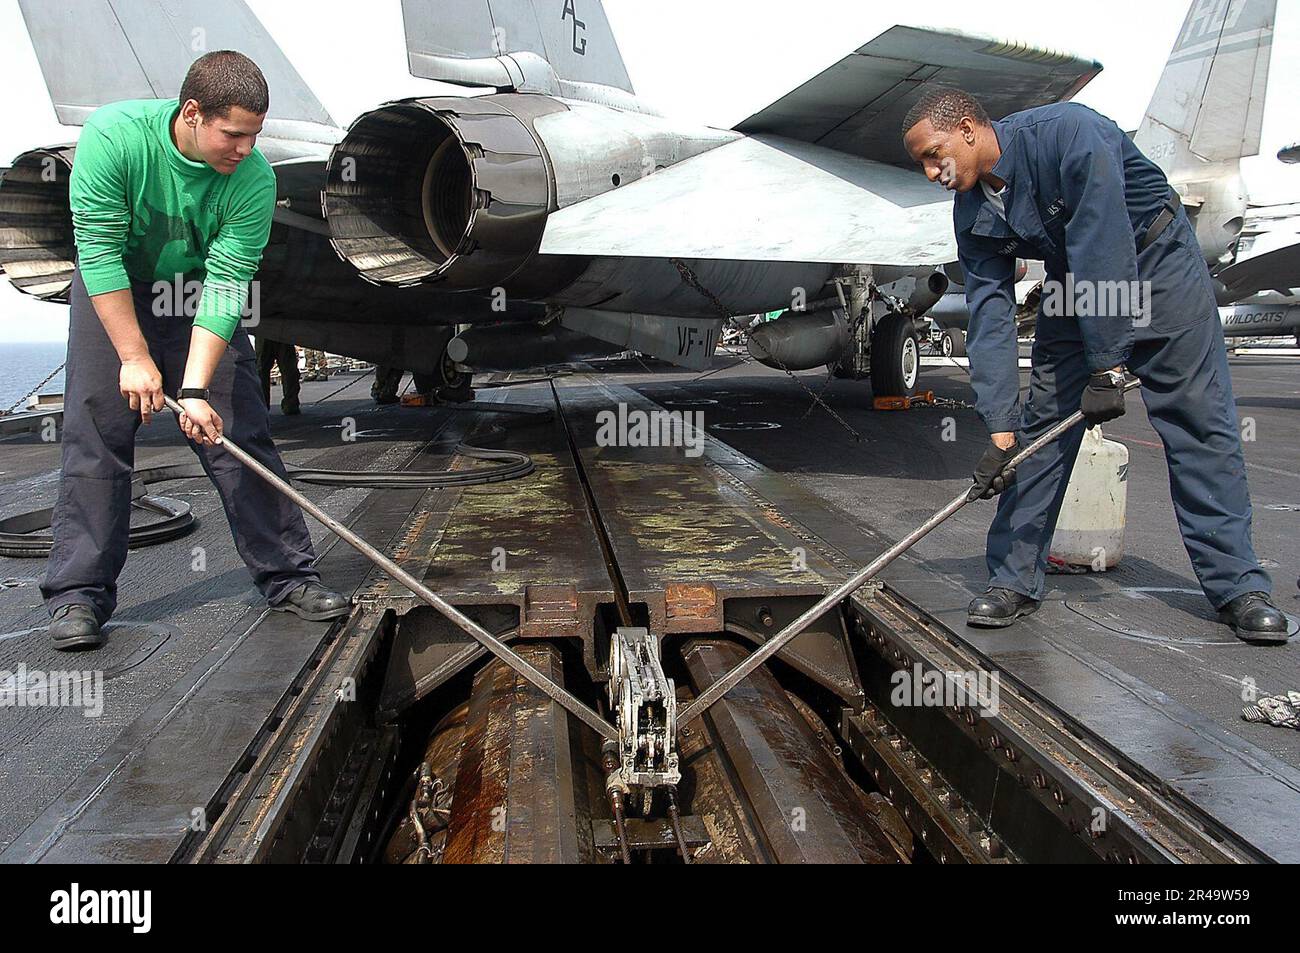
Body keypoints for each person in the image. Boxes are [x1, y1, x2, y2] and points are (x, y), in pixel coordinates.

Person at [901, 87, 1287, 644]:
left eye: (935, 154)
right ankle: (1013, 577)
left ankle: (1238, 587)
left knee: (1199, 425)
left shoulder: (1068, 134)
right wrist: (1001, 430)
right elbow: (990, 311)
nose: (932, 171)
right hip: (1075, 285)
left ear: (966, 128)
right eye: (922, 165)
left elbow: (1100, 240)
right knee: (1041, 432)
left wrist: (1106, 367)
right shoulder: (973, 207)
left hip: (1159, 266)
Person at [40, 51, 350, 651]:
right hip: (117, 286)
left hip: (193, 293)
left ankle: (289, 576)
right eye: (233, 134)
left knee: (239, 429)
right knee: (98, 430)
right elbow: (98, 254)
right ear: (192, 114)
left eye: (254, 136)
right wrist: (134, 357)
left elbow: (229, 280)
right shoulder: (113, 138)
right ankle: (78, 595)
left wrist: (193, 390)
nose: (244, 149)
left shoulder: (254, 180)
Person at [255, 336, 301, 414]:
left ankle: (262, 406)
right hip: (281, 330)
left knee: (262, 369)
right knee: (288, 368)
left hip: (266, 330)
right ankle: (290, 404)